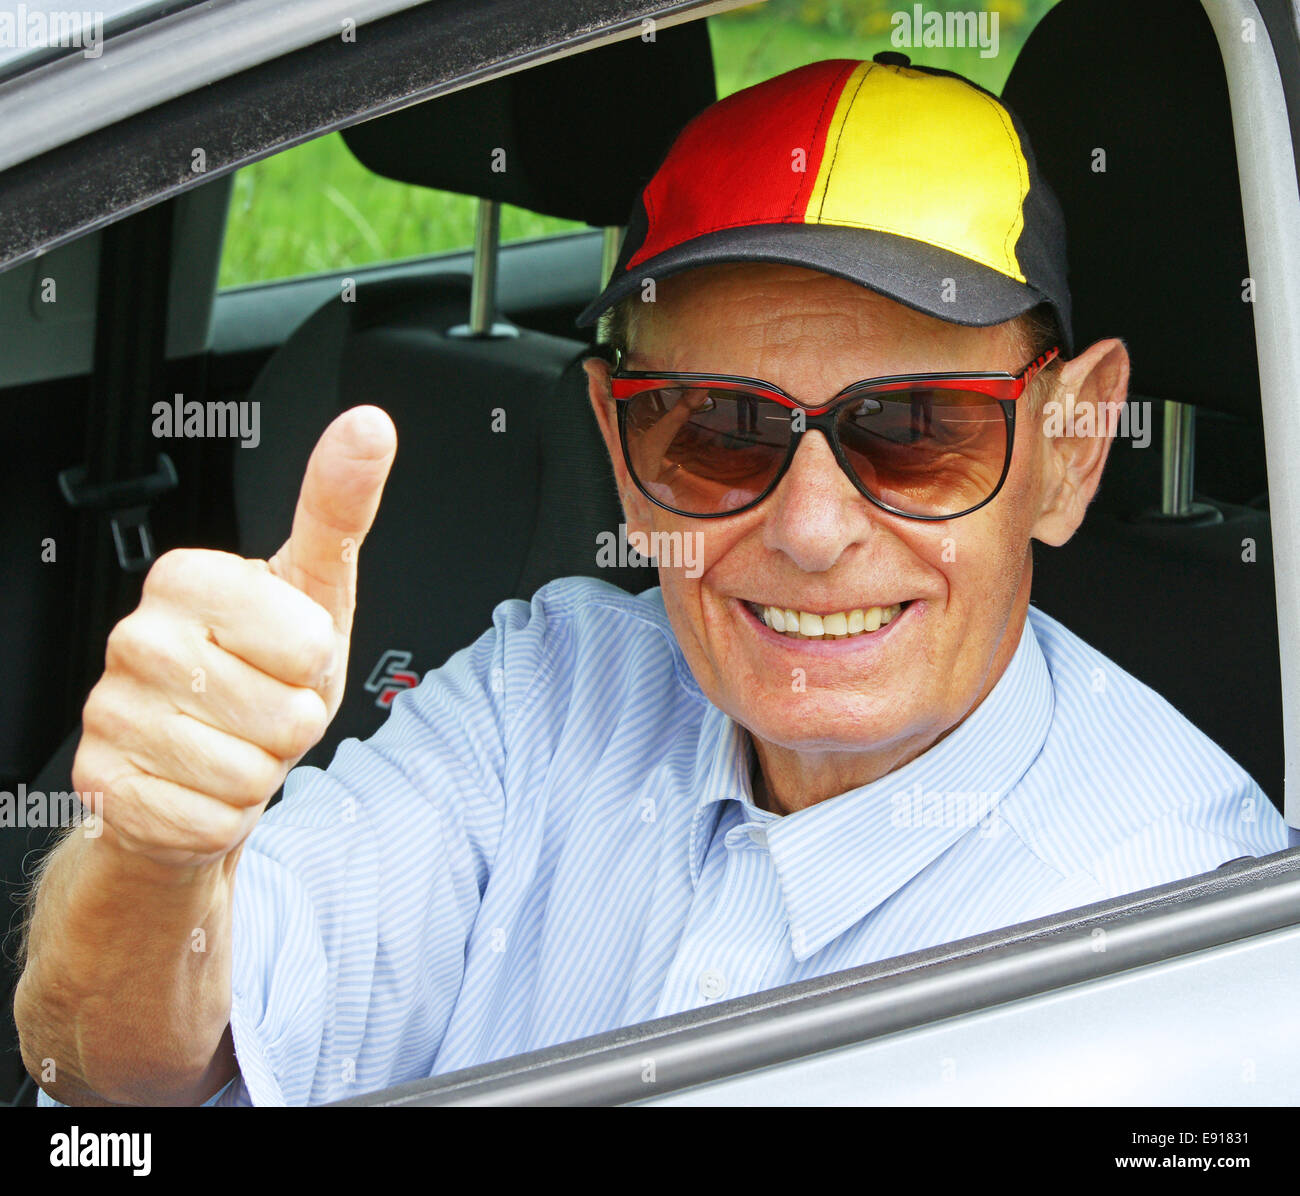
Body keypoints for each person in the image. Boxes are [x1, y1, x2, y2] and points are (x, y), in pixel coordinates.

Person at [18, 55, 1288, 1107]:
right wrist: (158, 859)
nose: (807, 526)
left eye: (914, 426)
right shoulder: (551, 686)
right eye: (715, 428)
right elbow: (103, 1073)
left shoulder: (1192, 922)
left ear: (1069, 448)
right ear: (617, 452)